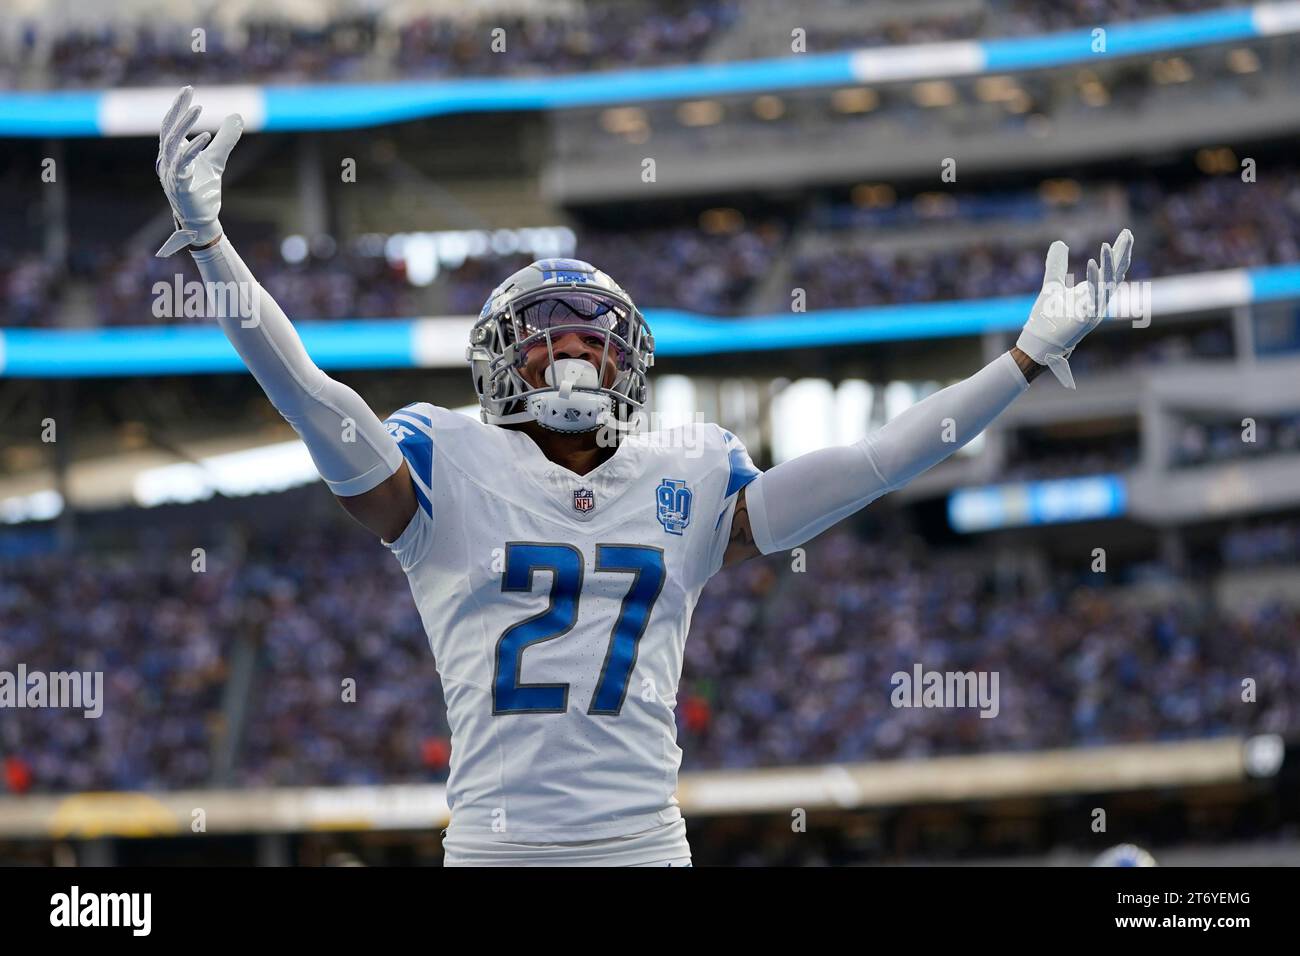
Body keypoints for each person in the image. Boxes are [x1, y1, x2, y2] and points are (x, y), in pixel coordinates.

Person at [155, 87, 1133, 866]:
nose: (574, 360)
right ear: (502, 366)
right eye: (548, 345)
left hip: (641, 846)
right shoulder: (444, 461)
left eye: (592, 340)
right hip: (500, 850)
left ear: (631, 362)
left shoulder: (691, 473)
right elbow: (305, 390)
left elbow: (873, 460)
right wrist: (211, 244)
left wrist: (1020, 362)